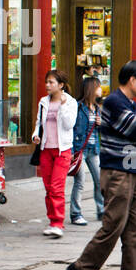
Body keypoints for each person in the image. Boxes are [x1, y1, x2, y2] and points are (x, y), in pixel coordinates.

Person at [66, 61, 136, 270]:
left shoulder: (133, 106)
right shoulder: (115, 103)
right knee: (114, 224)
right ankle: (82, 267)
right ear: (132, 80)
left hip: (134, 171)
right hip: (118, 171)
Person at [34, 69, 78, 238]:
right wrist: (35, 135)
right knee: (48, 188)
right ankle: (52, 220)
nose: (47, 85)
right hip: (46, 149)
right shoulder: (43, 101)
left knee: (57, 188)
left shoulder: (71, 102)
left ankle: (58, 223)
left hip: (62, 149)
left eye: (51, 82)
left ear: (61, 85)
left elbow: (69, 125)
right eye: (47, 82)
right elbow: (39, 123)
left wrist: (62, 105)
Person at [69, 76, 104, 226]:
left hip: (93, 149)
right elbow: (70, 130)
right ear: (91, 89)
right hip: (80, 150)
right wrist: (71, 151)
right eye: (98, 87)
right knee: (80, 181)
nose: (101, 89)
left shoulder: (97, 109)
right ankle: (75, 213)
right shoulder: (77, 107)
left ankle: (102, 210)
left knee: (100, 180)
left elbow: (102, 130)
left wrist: (101, 124)